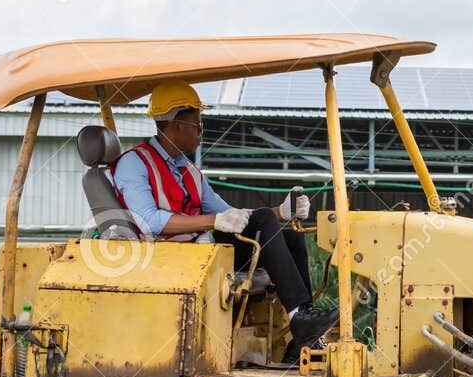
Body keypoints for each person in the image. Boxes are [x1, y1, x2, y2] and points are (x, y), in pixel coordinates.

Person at [112, 80, 337, 359]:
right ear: (176, 125)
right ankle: (299, 319)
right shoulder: (133, 163)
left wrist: (281, 212)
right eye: (197, 125)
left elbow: (231, 215)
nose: (201, 133)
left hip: (202, 251)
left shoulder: (187, 169)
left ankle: (302, 326)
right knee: (263, 223)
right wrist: (213, 221)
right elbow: (149, 221)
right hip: (169, 258)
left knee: (289, 237)